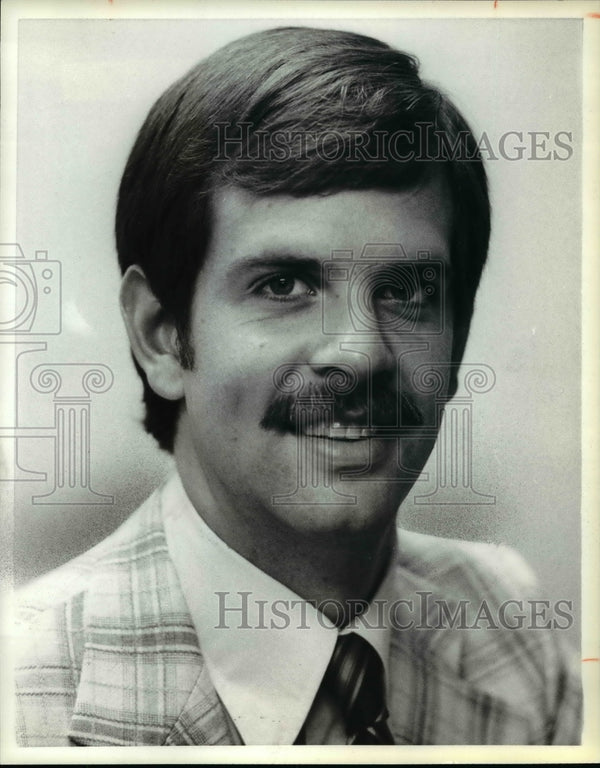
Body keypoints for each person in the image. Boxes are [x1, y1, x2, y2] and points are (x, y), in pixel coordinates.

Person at [14, 26, 582, 746]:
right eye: (284, 284)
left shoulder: (513, 633)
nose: (361, 352)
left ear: (457, 335)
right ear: (161, 334)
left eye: (408, 291)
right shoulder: (24, 698)